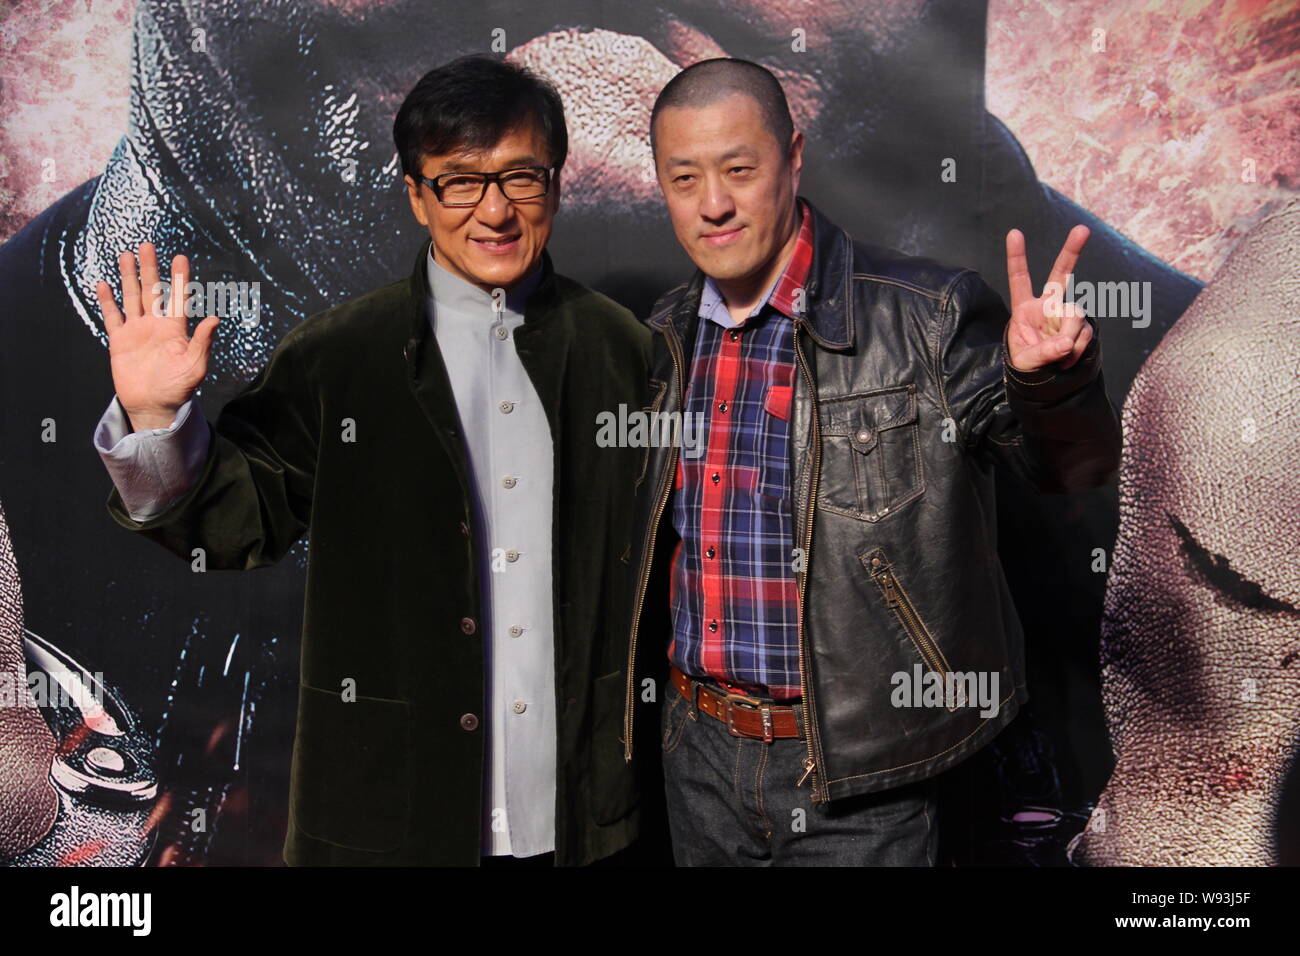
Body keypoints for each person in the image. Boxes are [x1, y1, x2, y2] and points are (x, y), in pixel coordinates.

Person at [90, 55, 650, 866]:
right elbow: (236, 524)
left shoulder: (624, 349)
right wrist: (154, 416)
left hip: (584, 816)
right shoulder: (338, 354)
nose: (494, 209)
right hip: (390, 814)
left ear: (556, 183)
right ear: (418, 196)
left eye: (521, 177)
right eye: (459, 181)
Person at [623, 57, 1122, 865]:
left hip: (866, 775)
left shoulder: (925, 315)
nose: (713, 203)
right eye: (685, 178)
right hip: (700, 761)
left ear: (793, 158)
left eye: (739, 170)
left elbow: (1071, 473)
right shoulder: (664, 339)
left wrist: (1052, 383)